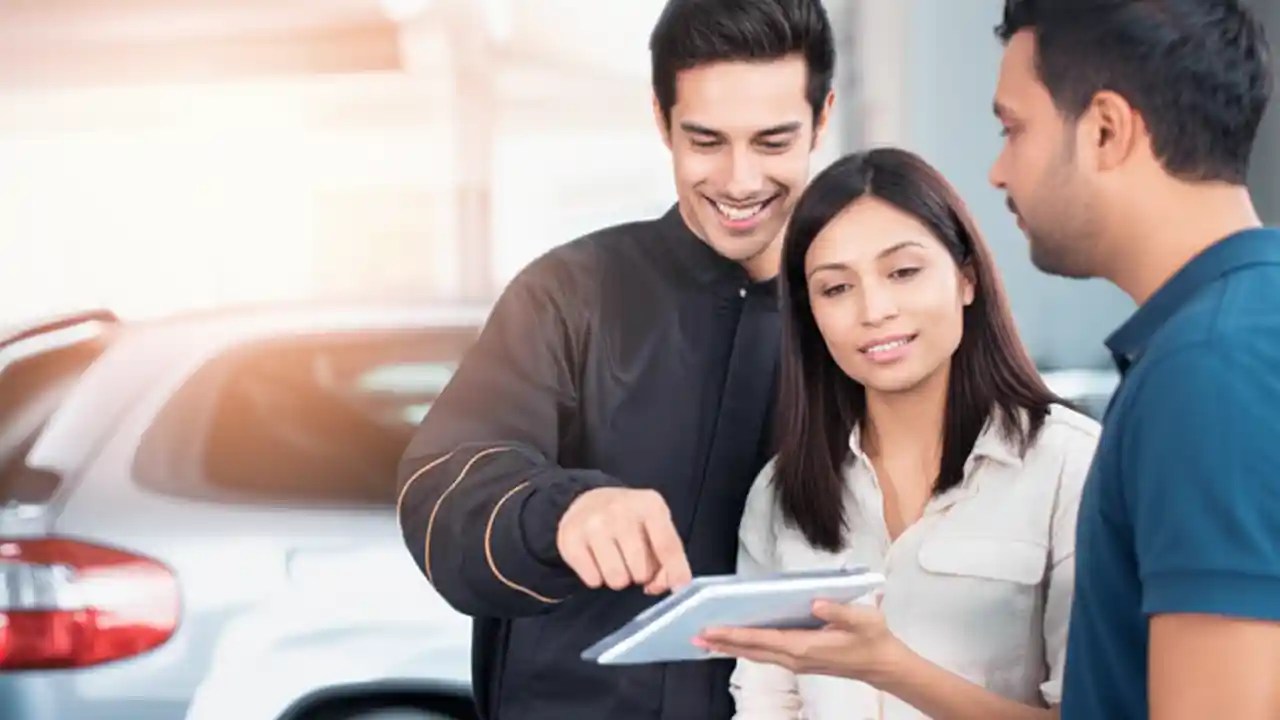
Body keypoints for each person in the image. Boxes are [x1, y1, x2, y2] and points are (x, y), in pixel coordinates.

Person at [395, 1, 837, 717]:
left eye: (773, 142)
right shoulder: (569, 294)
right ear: (661, 120)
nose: (740, 180)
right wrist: (564, 514)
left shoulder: (861, 313)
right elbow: (443, 493)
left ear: (823, 119)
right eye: (705, 141)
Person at [698, 148, 1100, 719]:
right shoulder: (781, 493)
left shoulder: (1068, 465)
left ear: (966, 279)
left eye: (903, 272)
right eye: (836, 288)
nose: (875, 309)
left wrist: (892, 669)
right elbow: (765, 707)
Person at [989, 1, 1280, 718]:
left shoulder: (1207, 369)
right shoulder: (1236, 331)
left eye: (1013, 129)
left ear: (1106, 130)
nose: (998, 171)